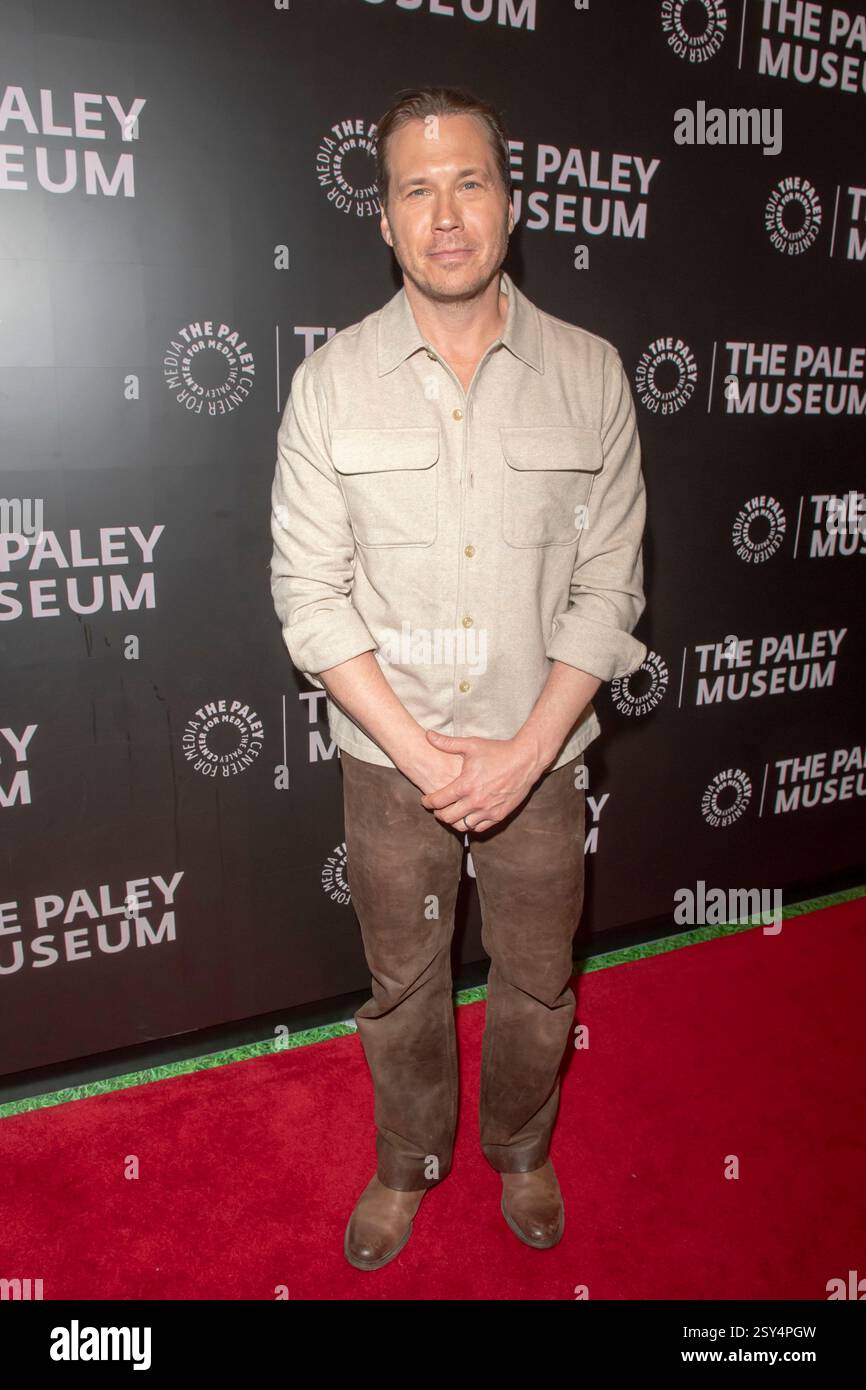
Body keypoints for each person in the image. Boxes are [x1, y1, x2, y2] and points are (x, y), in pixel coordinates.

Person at [269, 85, 648, 1271]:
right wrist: (429, 756)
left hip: (543, 759)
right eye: (415, 189)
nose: (444, 215)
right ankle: (407, 1162)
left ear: (511, 204)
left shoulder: (589, 373)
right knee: (403, 990)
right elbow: (308, 595)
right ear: (382, 219)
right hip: (393, 767)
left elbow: (609, 588)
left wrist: (526, 751)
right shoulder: (329, 383)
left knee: (538, 986)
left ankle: (521, 1150)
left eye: (467, 182)